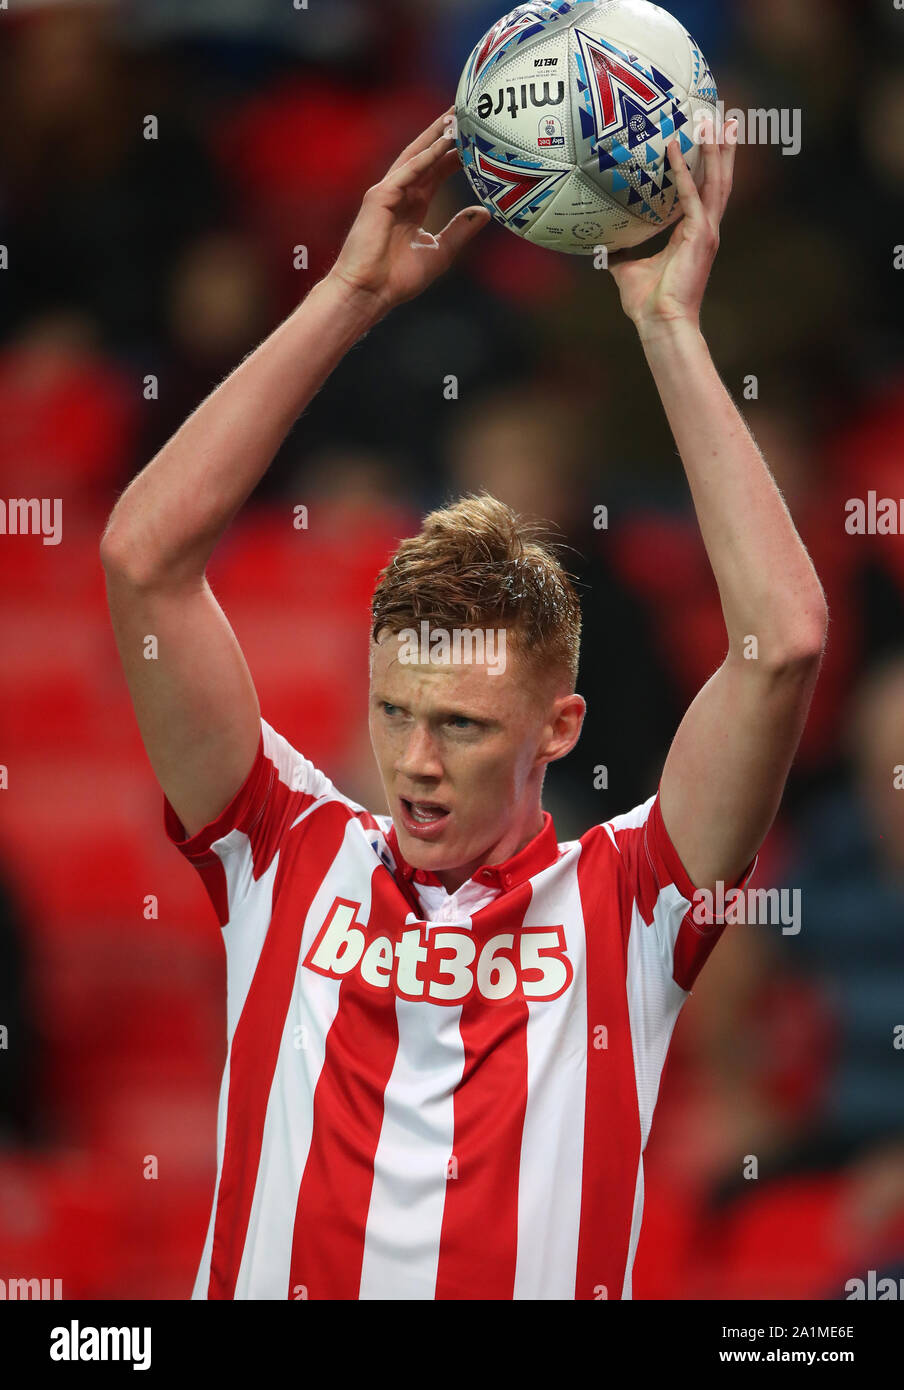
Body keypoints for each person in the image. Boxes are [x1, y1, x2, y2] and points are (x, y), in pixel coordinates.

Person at [101, 109, 828, 1299]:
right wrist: (351, 293)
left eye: (464, 724)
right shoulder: (283, 849)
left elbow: (782, 643)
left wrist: (664, 324)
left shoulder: (627, 904)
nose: (416, 762)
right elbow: (141, 558)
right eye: (396, 713)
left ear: (559, 728)